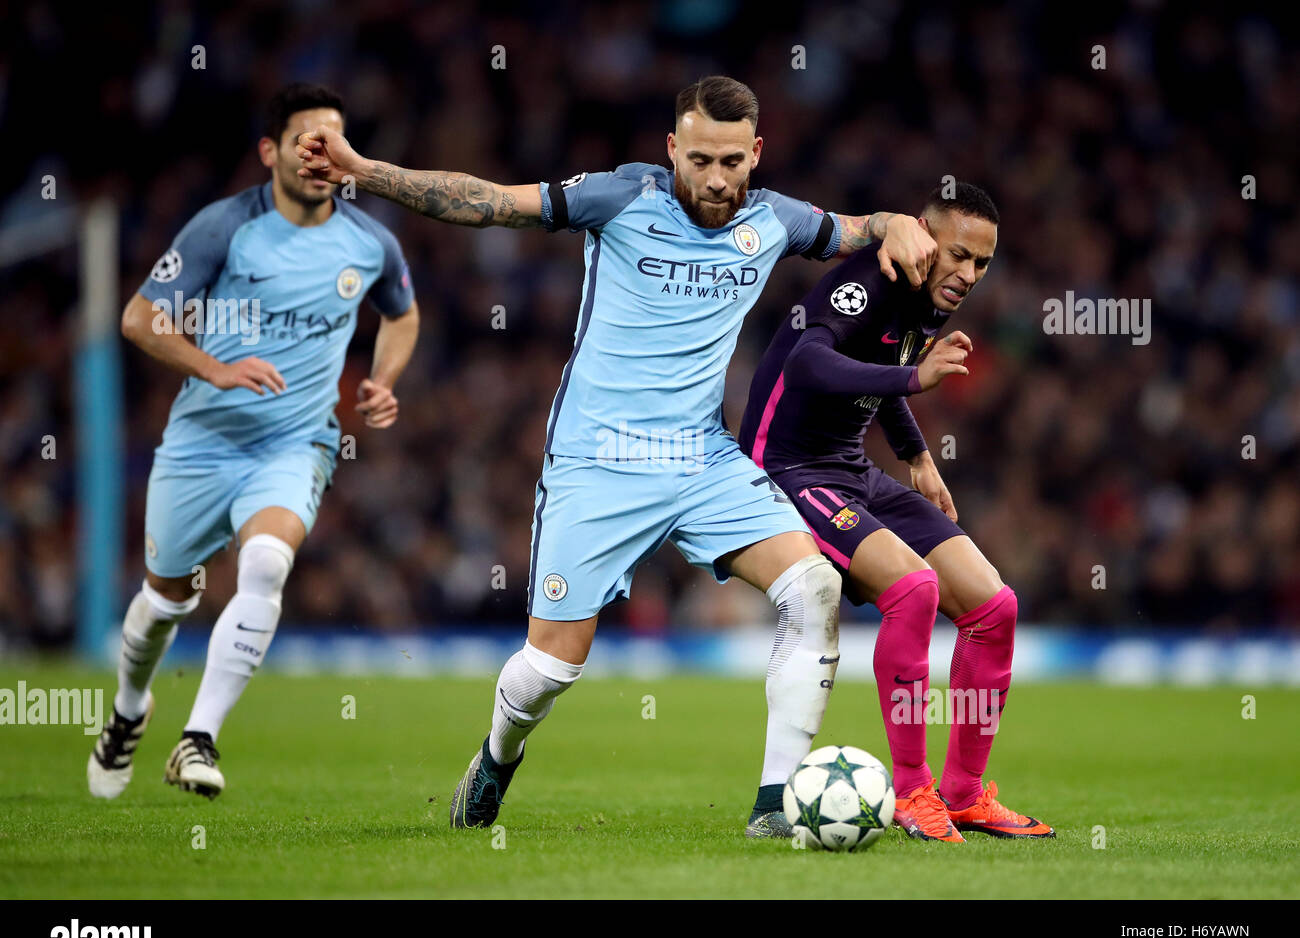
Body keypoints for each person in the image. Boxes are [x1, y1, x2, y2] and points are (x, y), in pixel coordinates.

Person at [296, 75, 939, 834]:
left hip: (702, 459)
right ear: (672, 148)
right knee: (550, 669)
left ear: (757, 153)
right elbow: (490, 202)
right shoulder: (622, 197)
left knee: (814, 589)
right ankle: (499, 755)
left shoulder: (775, 219)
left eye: (733, 161)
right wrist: (364, 170)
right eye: (700, 160)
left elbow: (859, 228)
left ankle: (774, 806)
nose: (716, 179)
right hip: (598, 460)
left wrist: (898, 222)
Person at [89, 83, 420, 800]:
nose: (322, 156)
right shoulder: (223, 228)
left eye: (334, 142)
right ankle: (129, 709)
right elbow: (140, 319)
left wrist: (384, 378)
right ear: (270, 152)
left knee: (267, 563)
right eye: (307, 141)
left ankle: (197, 738)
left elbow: (402, 313)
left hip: (294, 445)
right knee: (166, 599)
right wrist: (214, 368)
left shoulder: (369, 243)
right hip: (201, 442)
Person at [738, 182, 1053, 840]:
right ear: (925, 239)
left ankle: (964, 794)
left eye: (983, 262)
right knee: (913, 590)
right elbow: (809, 362)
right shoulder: (869, 279)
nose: (969, 274)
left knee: (994, 608)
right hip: (789, 468)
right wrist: (915, 379)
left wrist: (916, 453)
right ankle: (911, 791)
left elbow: (879, 363)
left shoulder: (927, 298)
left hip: (852, 467)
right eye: (960, 255)